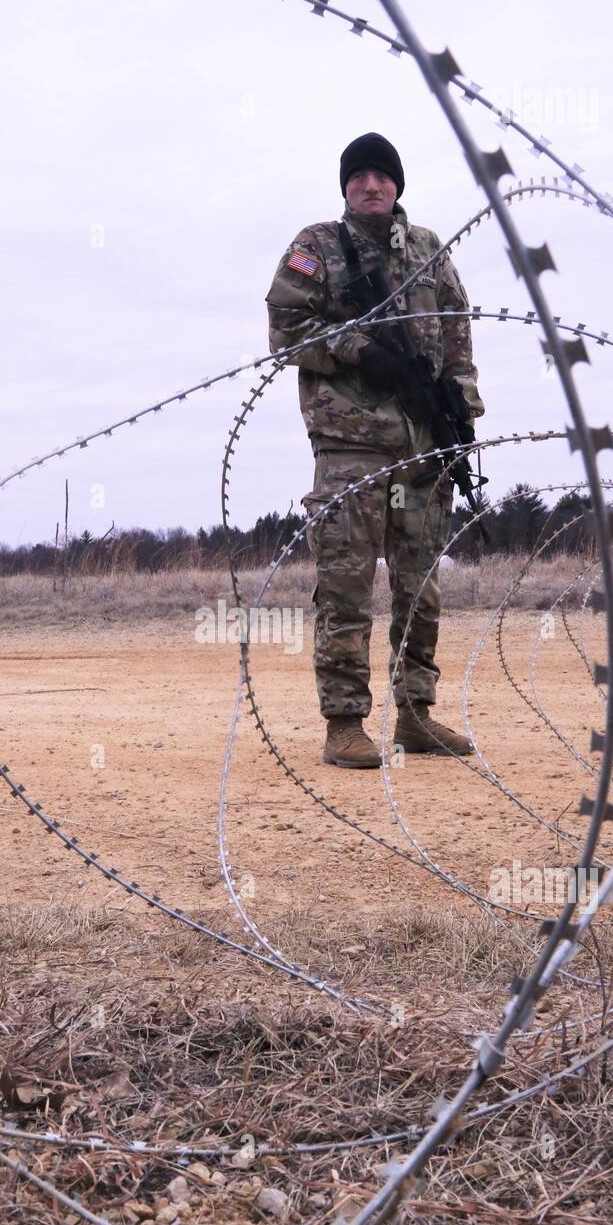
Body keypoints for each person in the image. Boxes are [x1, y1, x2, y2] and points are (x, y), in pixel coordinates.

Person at [265, 131, 485, 768]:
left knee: (422, 588)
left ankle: (416, 715)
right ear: (346, 187)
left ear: (397, 185)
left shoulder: (426, 250)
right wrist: (361, 350)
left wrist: (461, 414)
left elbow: (457, 337)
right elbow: (287, 330)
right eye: (358, 176)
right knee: (346, 586)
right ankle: (344, 725)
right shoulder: (318, 246)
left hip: (423, 445)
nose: (371, 185)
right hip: (352, 445)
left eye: (382, 176)